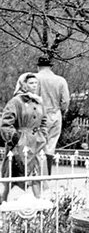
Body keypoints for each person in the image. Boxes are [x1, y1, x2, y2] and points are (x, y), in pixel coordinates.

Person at [0, 72, 48, 200]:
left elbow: (44, 121)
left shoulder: (38, 102)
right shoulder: (16, 101)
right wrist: (16, 138)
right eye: (31, 83)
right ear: (23, 84)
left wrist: (43, 136)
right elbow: (5, 123)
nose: (34, 86)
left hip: (37, 144)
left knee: (37, 178)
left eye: (36, 83)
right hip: (20, 145)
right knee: (12, 177)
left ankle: (39, 208)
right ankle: (4, 206)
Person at [35, 56, 70, 174]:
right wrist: (63, 110)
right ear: (50, 67)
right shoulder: (60, 80)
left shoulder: (34, 79)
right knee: (51, 144)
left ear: (38, 66)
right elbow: (65, 101)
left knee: (38, 142)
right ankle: (47, 173)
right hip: (55, 113)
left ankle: (36, 173)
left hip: (38, 113)